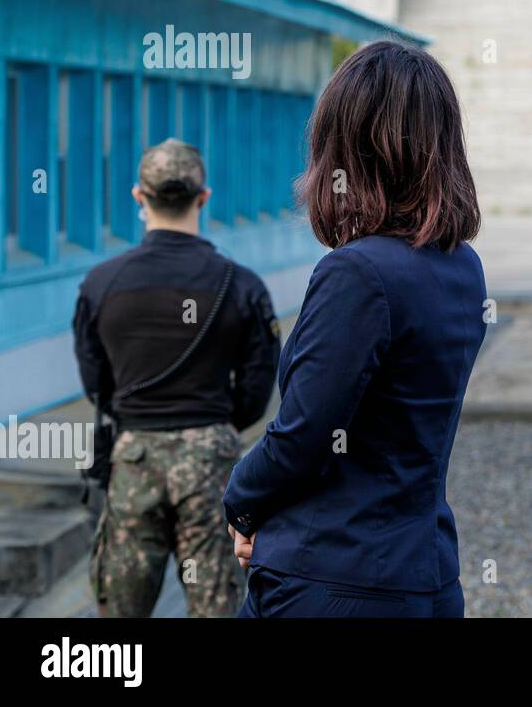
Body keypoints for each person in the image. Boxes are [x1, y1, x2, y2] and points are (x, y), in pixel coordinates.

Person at [224, 40, 486, 618]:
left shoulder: (358, 273)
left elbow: (301, 437)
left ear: (345, 147)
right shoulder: (461, 266)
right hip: (424, 576)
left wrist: (240, 501)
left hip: (333, 578)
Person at [73, 138, 280, 617]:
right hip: (212, 463)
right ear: (203, 198)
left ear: (138, 197)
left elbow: (96, 384)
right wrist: (215, 421)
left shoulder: (100, 283)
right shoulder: (242, 286)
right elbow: (256, 389)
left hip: (133, 461)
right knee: (217, 606)